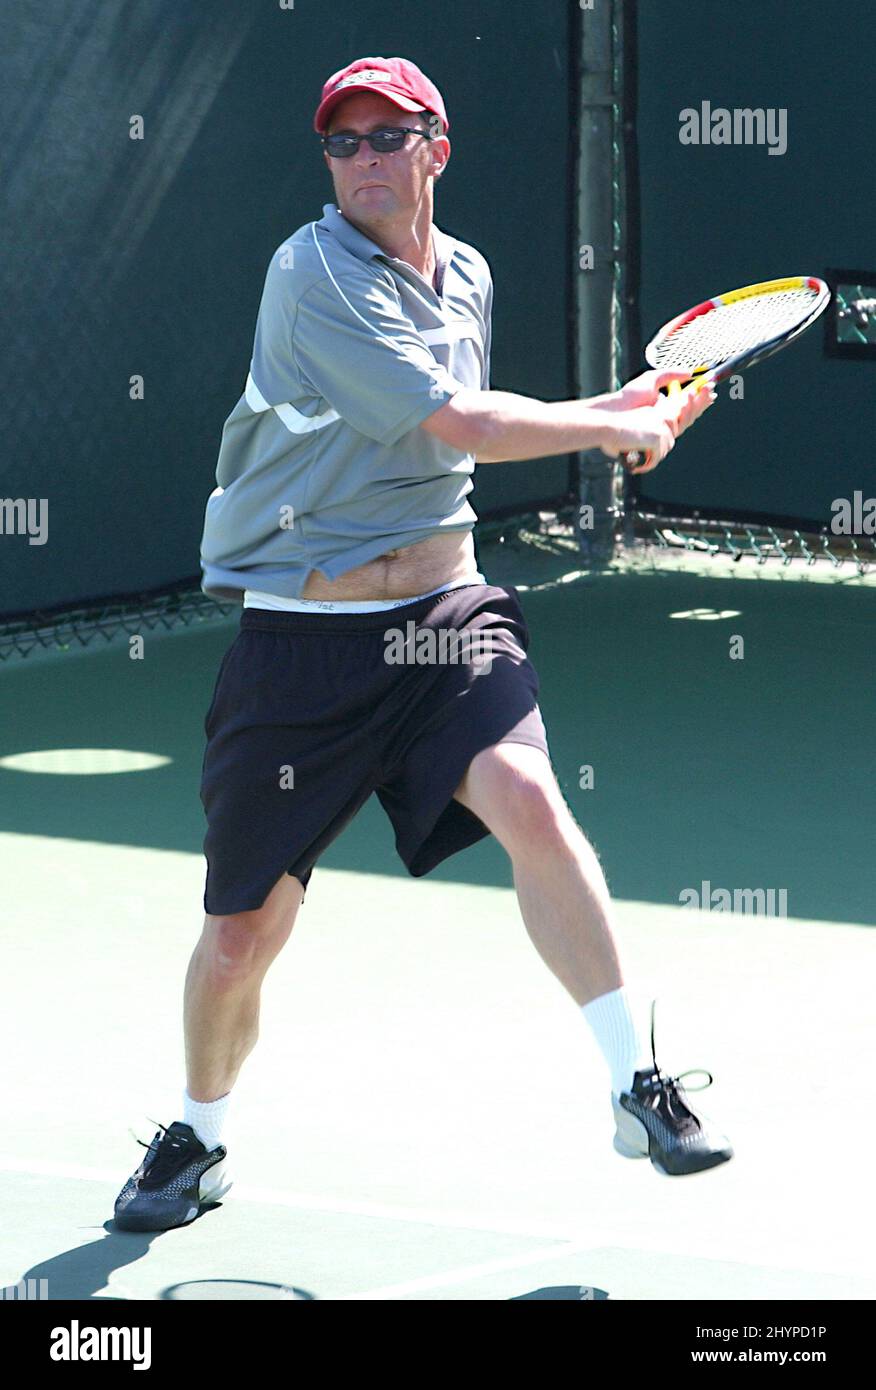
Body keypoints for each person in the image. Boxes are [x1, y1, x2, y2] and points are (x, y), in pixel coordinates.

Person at [114, 56, 730, 1233]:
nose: (361, 162)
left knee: (533, 803)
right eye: (342, 144)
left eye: (385, 137)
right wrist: (614, 424)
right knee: (242, 934)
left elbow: (458, 445)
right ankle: (198, 1132)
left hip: (445, 617)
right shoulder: (310, 272)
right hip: (303, 637)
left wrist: (624, 409)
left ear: (435, 149)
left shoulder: (469, 277)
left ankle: (633, 1084)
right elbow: (460, 421)